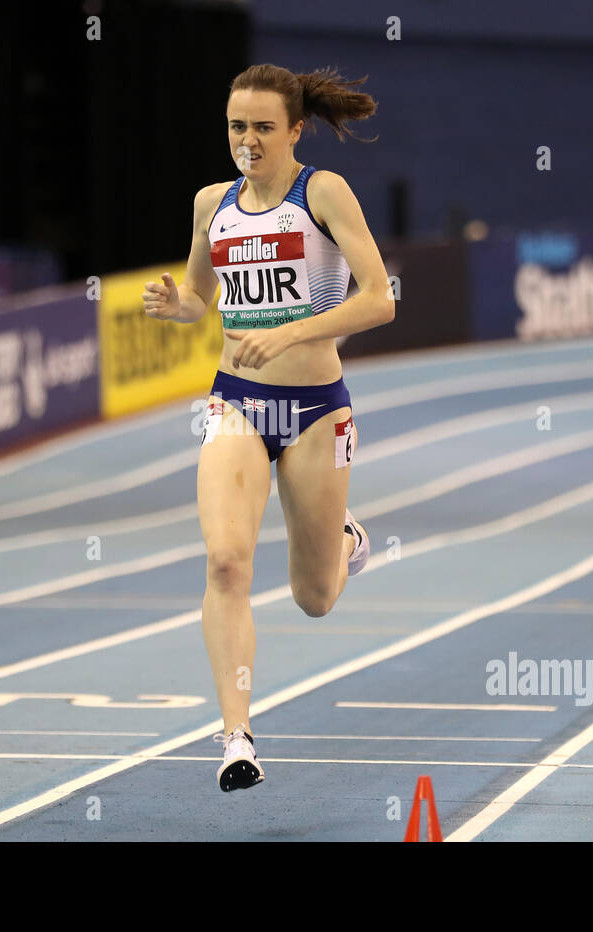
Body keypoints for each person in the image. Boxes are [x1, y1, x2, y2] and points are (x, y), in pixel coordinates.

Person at [142, 64, 393, 792]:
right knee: (225, 562)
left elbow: (379, 300)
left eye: (260, 127)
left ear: (293, 131)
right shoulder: (210, 205)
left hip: (317, 411)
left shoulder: (323, 193)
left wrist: (289, 334)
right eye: (235, 127)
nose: (246, 141)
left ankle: (346, 539)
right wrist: (176, 303)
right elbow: (199, 296)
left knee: (314, 598)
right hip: (237, 404)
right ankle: (236, 737)